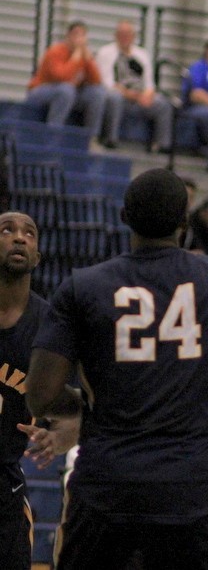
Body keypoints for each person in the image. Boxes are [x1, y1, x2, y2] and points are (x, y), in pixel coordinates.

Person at [25, 168, 208, 569]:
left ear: (124, 217)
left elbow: (40, 395)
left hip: (104, 488)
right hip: (193, 488)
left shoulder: (81, 287)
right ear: (186, 221)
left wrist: (95, 410)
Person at [1, 212, 74, 570]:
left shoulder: (51, 326)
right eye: (7, 230)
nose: (19, 238)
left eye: (29, 233)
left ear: (38, 256)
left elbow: (81, 408)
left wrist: (59, 437)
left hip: (4, 483)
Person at [25, 20, 117, 146]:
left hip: (70, 94)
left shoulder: (84, 55)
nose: (78, 39)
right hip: (41, 91)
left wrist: (88, 60)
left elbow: (96, 81)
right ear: (68, 36)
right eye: (75, 34)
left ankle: (91, 138)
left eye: (82, 35)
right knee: (66, 90)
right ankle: (53, 135)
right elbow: (62, 77)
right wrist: (76, 56)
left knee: (98, 92)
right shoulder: (55, 51)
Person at [95, 19, 173, 153]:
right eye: (121, 34)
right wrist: (129, 94)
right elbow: (106, 82)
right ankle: (111, 139)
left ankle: (162, 145)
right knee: (115, 98)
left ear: (133, 36)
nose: (125, 37)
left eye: (128, 34)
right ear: (116, 35)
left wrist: (147, 95)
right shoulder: (105, 52)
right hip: (119, 96)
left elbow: (149, 83)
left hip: (139, 98)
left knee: (163, 103)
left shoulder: (142, 54)